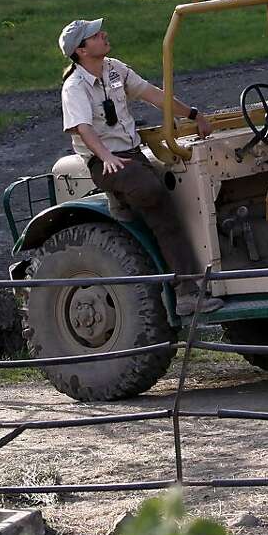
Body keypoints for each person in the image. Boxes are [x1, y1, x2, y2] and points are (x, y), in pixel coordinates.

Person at [57, 18, 220, 316]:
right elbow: (83, 128)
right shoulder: (74, 87)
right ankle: (186, 294)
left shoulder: (114, 69)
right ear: (81, 50)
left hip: (132, 154)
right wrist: (106, 157)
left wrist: (192, 114)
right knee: (153, 195)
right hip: (105, 162)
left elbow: (153, 95)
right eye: (95, 35)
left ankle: (127, 208)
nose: (104, 35)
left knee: (173, 195)